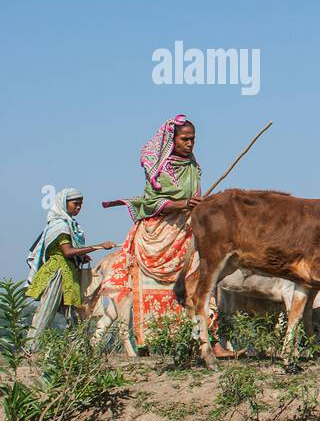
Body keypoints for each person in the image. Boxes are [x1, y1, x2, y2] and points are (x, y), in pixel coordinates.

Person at [98, 114, 223, 353]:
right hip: (159, 234)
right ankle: (154, 344)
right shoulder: (160, 167)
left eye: (193, 139)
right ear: (171, 140)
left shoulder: (193, 165)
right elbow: (152, 201)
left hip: (187, 231)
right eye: (185, 139)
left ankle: (209, 343)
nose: (190, 144)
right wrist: (184, 203)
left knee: (203, 281)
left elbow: (192, 198)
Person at [25, 188, 116, 321]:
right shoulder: (60, 226)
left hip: (68, 271)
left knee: (71, 315)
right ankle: (34, 340)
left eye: (81, 204)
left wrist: (80, 257)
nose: (78, 207)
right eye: (75, 204)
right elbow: (67, 252)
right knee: (47, 312)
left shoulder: (68, 224)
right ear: (63, 203)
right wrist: (99, 246)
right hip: (58, 272)